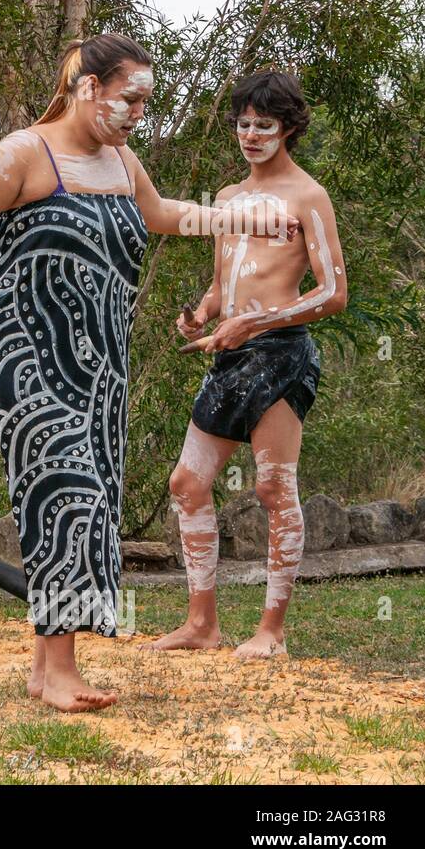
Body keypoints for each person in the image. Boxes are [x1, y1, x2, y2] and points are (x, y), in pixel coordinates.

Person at [0, 34, 297, 712]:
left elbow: (162, 215)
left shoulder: (119, 160)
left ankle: (43, 663)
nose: (140, 111)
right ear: (87, 89)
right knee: (63, 487)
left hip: (101, 358)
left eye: (146, 100)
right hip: (26, 350)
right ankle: (61, 673)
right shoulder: (28, 152)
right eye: (130, 97)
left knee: (92, 496)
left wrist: (240, 214)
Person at [149, 71, 347, 658]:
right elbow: (219, 287)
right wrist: (201, 314)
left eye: (265, 124)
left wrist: (255, 323)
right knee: (187, 484)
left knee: (272, 487)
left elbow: (333, 293)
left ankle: (271, 632)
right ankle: (202, 625)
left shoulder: (307, 196)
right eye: (243, 124)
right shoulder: (229, 200)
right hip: (230, 353)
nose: (252, 134)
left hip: (282, 356)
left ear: (287, 129)